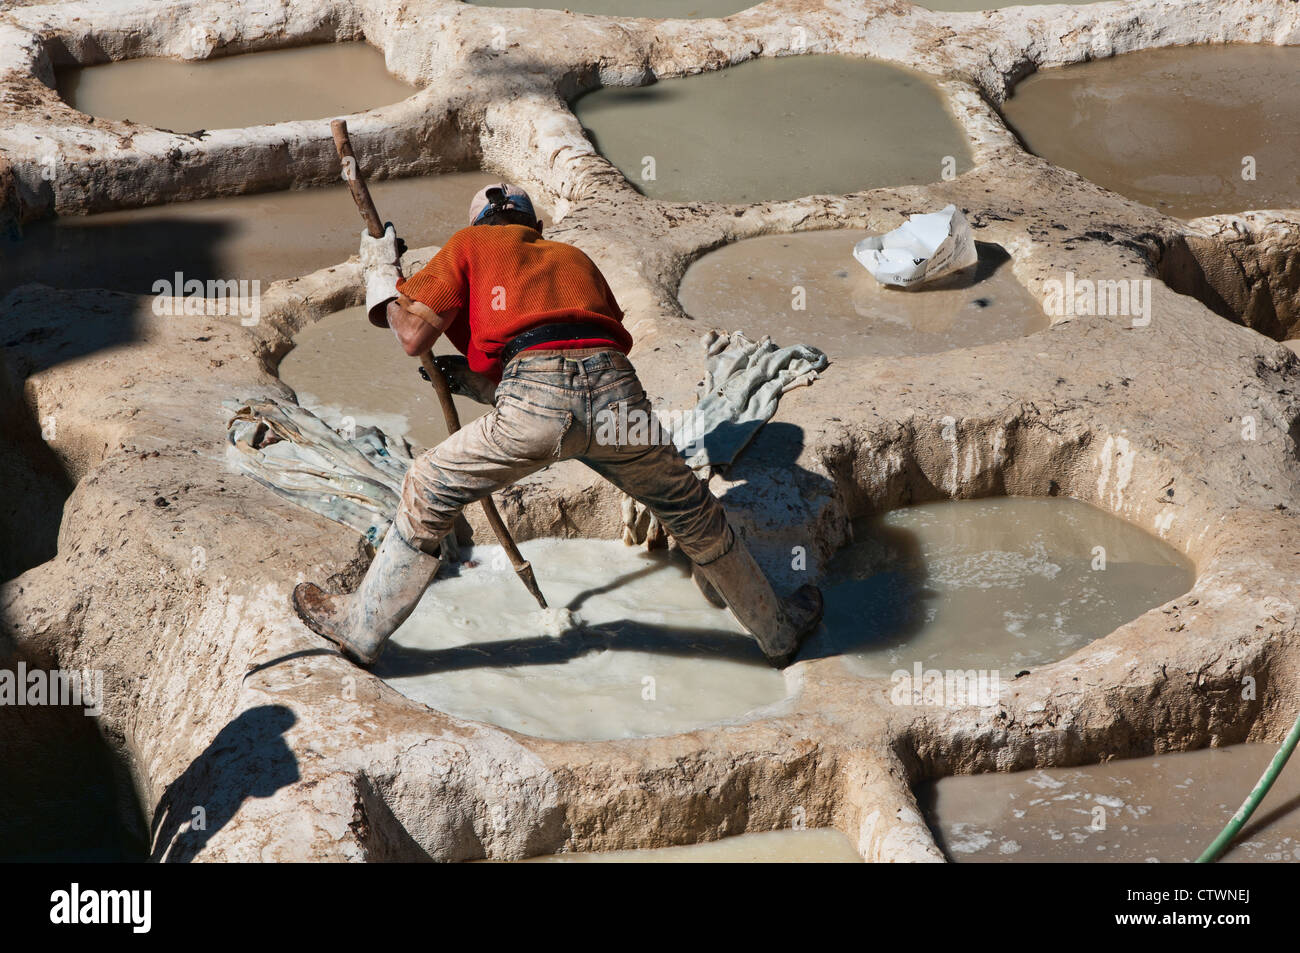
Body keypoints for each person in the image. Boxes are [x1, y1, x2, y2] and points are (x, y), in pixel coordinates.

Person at [292, 184, 822, 668]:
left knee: (428, 483)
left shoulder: (470, 245)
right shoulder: (573, 257)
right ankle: (777, 631)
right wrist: (485, 384)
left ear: (479, 223)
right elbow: (571, 342)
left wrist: (382, 271)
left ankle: (360, 628)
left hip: (537, 404)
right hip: (620, 399)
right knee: (693, 511)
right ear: (535, 227)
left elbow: (412, 333)